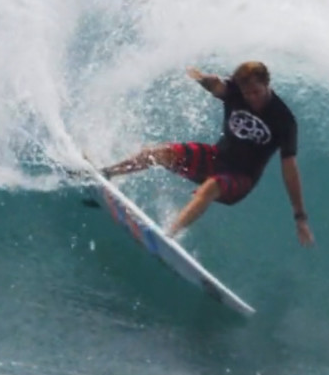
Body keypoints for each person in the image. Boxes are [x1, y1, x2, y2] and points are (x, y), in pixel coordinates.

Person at [102, 61, 315, 246]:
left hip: (241, 178)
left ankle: (168, 236)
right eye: (246, 93)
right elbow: (216, 85)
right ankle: (108, 173)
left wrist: (300, 217)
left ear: (267, 84)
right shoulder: (234, 91)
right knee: (158, 153)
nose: (251, 98)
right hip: (216, 158)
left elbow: (289, 170)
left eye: (256, 92)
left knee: (212, 185)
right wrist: (197, 75)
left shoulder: (284, 121)